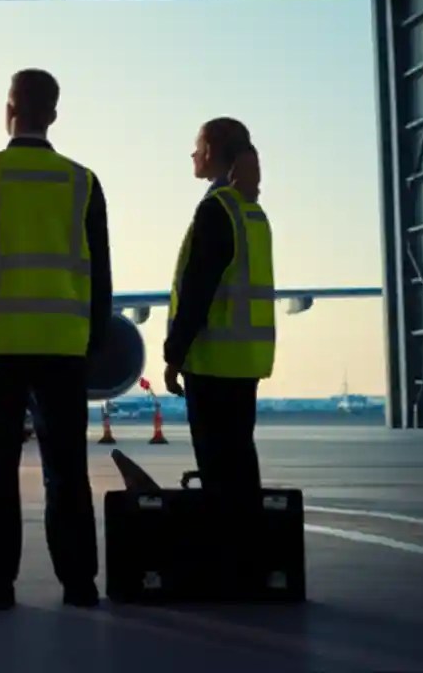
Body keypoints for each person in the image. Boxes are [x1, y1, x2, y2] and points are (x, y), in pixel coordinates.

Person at [0, 69, 113, 610]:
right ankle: (80, 585)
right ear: (53, 114)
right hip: (61, 349)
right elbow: (100, 275)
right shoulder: (83, 182)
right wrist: (94, 343)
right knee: (67, 471)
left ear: (8, 109)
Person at [162, 117, 274, 594]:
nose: (192, 156)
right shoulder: (252, 213)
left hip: (212, 361)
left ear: (210, 151)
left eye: (196, 147)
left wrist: (173, 353)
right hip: (244, 361)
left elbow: (198, 289)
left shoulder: (217, 211)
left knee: (218, 471)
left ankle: (227, 570)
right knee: (241, 467)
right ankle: (252, 565)